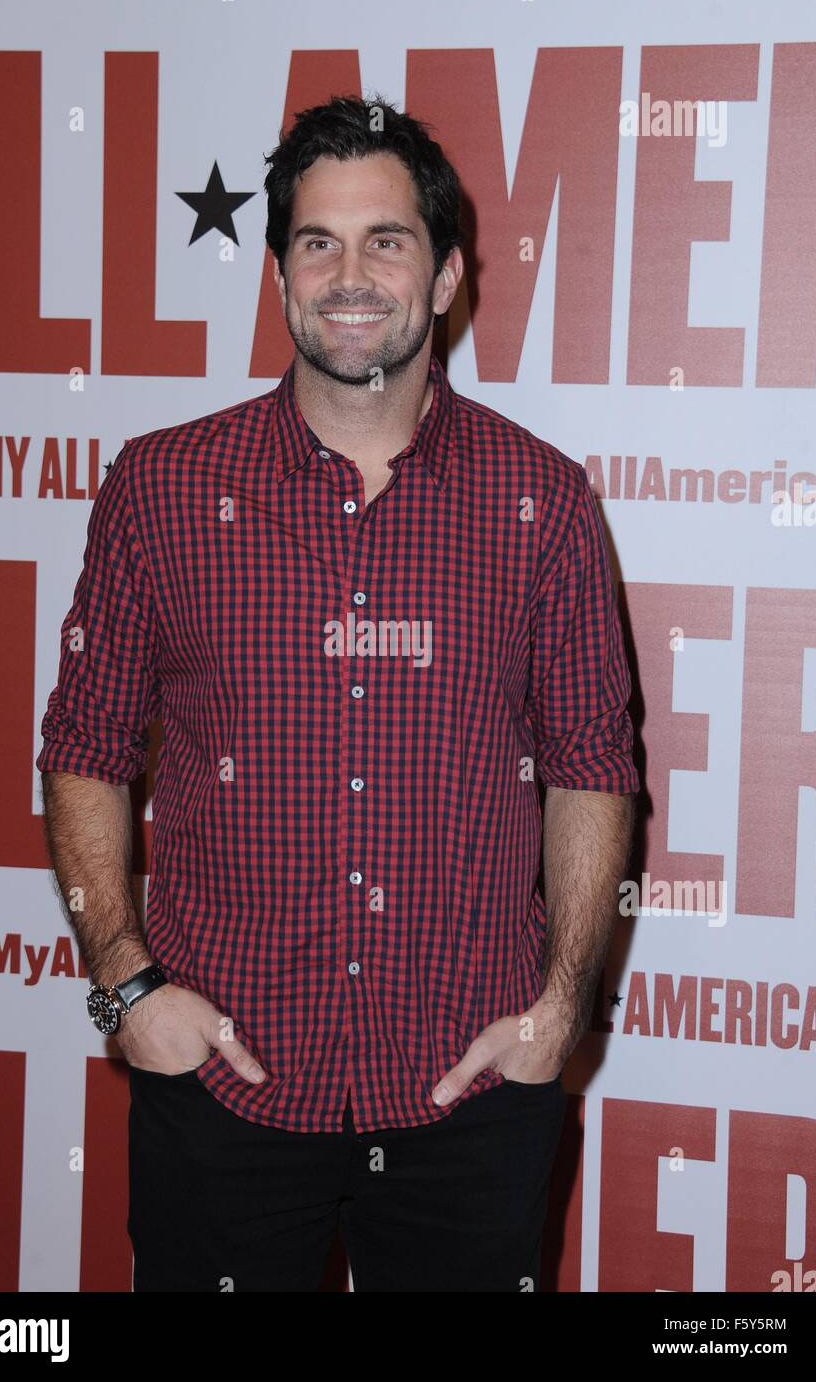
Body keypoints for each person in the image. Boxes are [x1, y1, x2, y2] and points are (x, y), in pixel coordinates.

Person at [36, 93, 639, 1292]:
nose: (349, 274)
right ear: (277, 276)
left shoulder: (544, 503)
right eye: (316, 242)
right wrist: (126, 984)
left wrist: (559, 1011)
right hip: (221, 1090)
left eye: (387, 240)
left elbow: (590, 767)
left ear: (449, 273)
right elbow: (86, 746)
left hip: (469, 1093)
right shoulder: (161, 492)